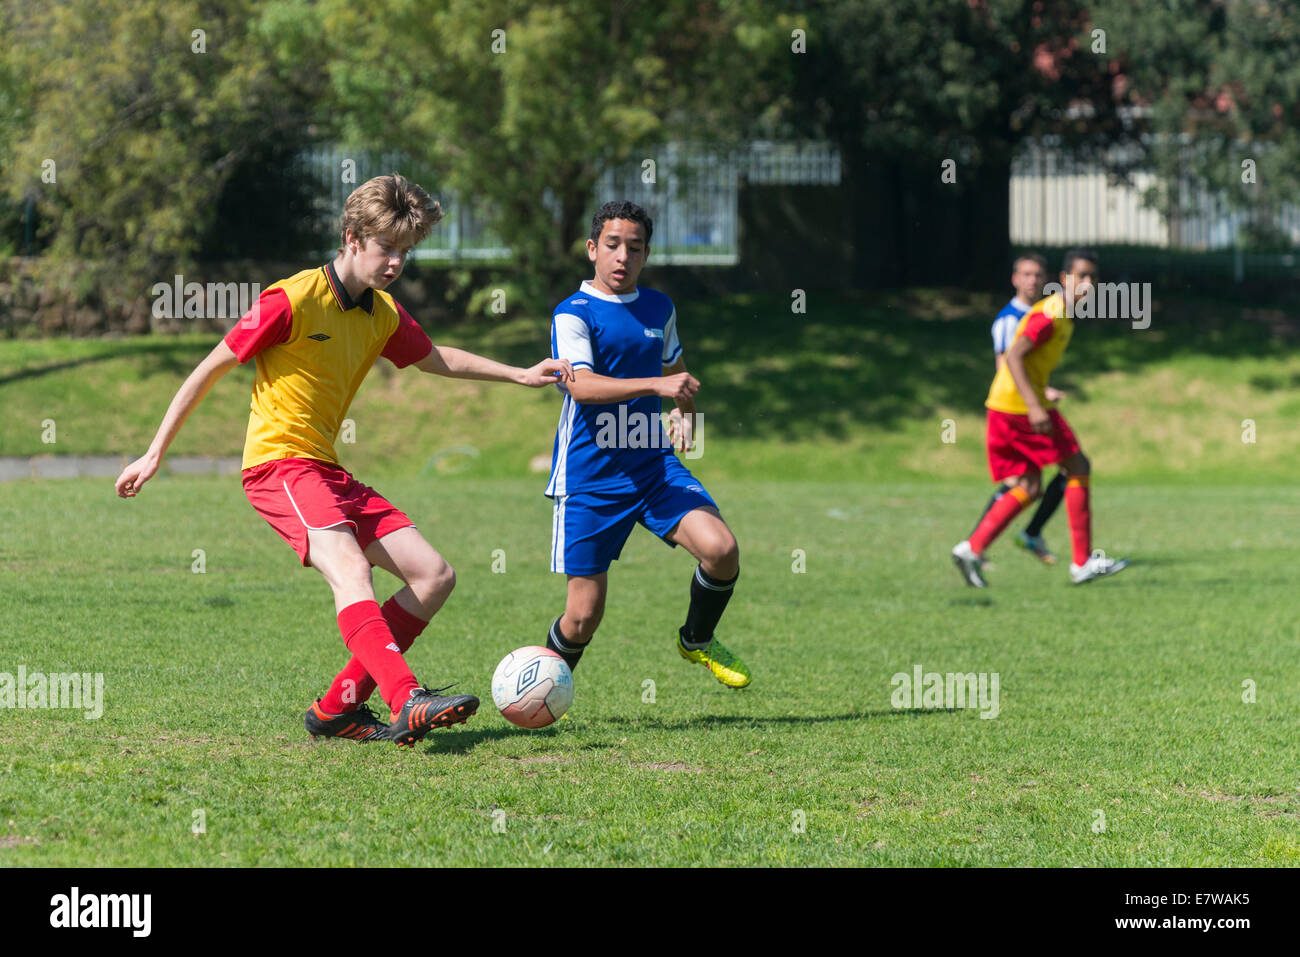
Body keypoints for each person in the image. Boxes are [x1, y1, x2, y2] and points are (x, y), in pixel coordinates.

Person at [114, 174, 574, 746]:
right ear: (352, 237)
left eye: (405, 252)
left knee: (433, 576)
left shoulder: (380, 314)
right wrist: (155, 452)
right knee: (351, 568)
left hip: (327, 471)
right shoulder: (291, 300)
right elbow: (210, 367)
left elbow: (434, 358)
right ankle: (407, 698)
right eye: (386, 249)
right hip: (278, 466)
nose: (395, 263)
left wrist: (519, 373)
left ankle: (338, 709)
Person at [540, 200, 749, 688]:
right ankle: (540, 694)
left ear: (646, 254)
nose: (622, 257)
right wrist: (655, 387)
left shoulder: (659, 307)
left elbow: (677, 375)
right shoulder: (573, 313)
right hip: (591, 477)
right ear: (592, 249)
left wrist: (685, 413)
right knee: (583, 617)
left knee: (721, 550)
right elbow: (582, 387)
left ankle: (696, 640)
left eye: (634, 248)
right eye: (612, 245)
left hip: (653, 466)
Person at [952, 249, 1129, 587]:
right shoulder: (1051, 312)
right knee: (1078, 466)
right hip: (1019, 409)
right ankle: (1081, 563)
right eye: (1081, 276)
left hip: (1009, 406)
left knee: (1031, 485)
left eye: (1093, 277)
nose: (1088, 284)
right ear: (1064, 279)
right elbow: (1014, 357)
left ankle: (971, 549)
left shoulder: (1063, 313)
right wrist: (1035, 405)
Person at [969, 253, 1066, 564]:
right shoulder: (1009, 320)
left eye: (1038, 274)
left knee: (1039, 479)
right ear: (1014, 279)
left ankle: (980, 545)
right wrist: (1038, 396)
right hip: (1015, 409)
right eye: (1026, 274)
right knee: (1044, 476)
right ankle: (977, 545)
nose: (1032, 280)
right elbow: (1006, 367)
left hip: (1030, 405)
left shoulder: (1044, 311)